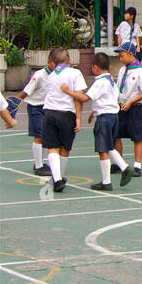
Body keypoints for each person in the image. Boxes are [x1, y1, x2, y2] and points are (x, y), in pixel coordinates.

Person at [65, 51, 132, 191]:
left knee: (103, 149)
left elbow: (84, 98)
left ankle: (106, 181)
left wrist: (68, 91)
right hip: (113, 116)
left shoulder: (100, 82)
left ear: (95, 67)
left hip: (105, 118)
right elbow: (108, 100)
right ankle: (124, 167)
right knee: (109, 145)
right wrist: (94, 112)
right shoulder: (110, 81)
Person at [40, 48, 87, 194]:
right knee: (65, 147)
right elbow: (78, 98)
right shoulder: (75, 73)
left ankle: (57, 178)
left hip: (49, 112)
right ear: (70, 60)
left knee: (52, 147)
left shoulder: (51, 75)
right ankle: (58, 178)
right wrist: (79, 118)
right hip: (67, 113)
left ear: (52, 63)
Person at [113, 42, 142, 177]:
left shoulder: (140, 72)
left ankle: (137, 165)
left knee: (137, 136)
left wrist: (130, 102)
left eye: (122, 55)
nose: (120, 58)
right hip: (121, 107)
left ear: (131, 54)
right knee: (116, 135)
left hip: (134, 108)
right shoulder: (123, 70)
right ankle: (120, 163)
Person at [18, 53, 53, 175]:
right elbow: (26, 91)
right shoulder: (39, 75)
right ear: (49, 62)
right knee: (39, 135)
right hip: (35, 107)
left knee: (45, 135)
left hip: (47, 107)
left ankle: (40, 162)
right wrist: (16, 103)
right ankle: (38, 166)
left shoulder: (55, 75)